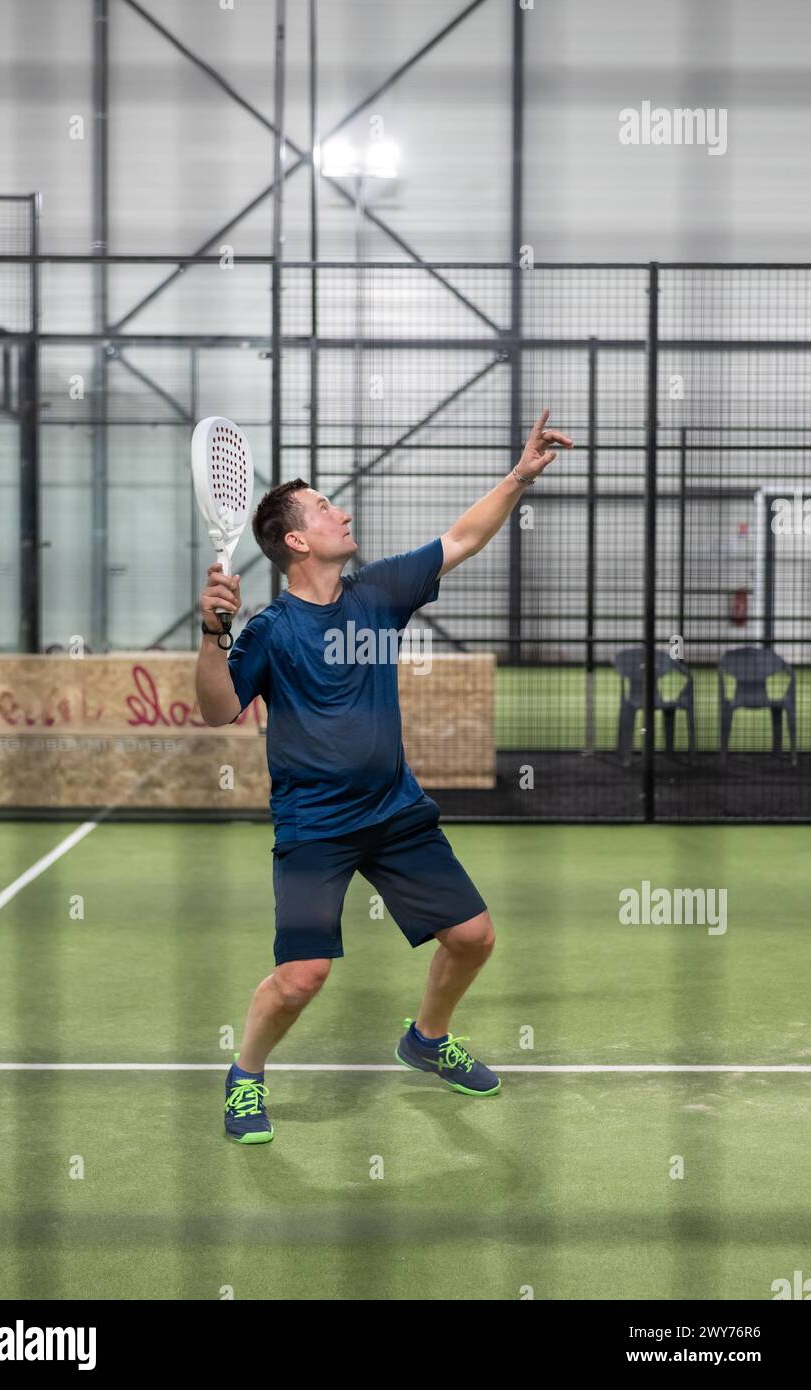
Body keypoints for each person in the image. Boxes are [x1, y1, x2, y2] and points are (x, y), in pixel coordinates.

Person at [196, 410, 573, 1142]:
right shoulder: (270, 631)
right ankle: (245, 1075)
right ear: (297, 540)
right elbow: (216, 710)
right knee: (303, 976)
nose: (342, 512)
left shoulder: (378, 593)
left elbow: (461, 538)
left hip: (394, 811)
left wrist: (520, 476)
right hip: (315, 824)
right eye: (324, 507)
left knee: (473, 936)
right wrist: (214, 633)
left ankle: (426, 1039)